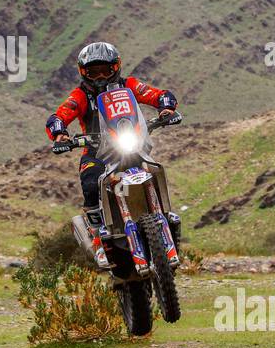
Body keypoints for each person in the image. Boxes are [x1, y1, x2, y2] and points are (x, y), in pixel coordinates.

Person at [45, 41, 179, 233]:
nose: (100, 77)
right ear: (84, 73)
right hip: (96, 151)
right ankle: (97, 233)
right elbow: (60, 115)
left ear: (116, 67)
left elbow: (156, 94)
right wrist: (59, 134)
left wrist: (166, 107)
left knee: (154, 170)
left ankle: (164, 213)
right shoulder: (81, 95)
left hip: (130, 144)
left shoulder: (129, 85)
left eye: (105, 70)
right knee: (91, 182)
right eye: (93, 72)